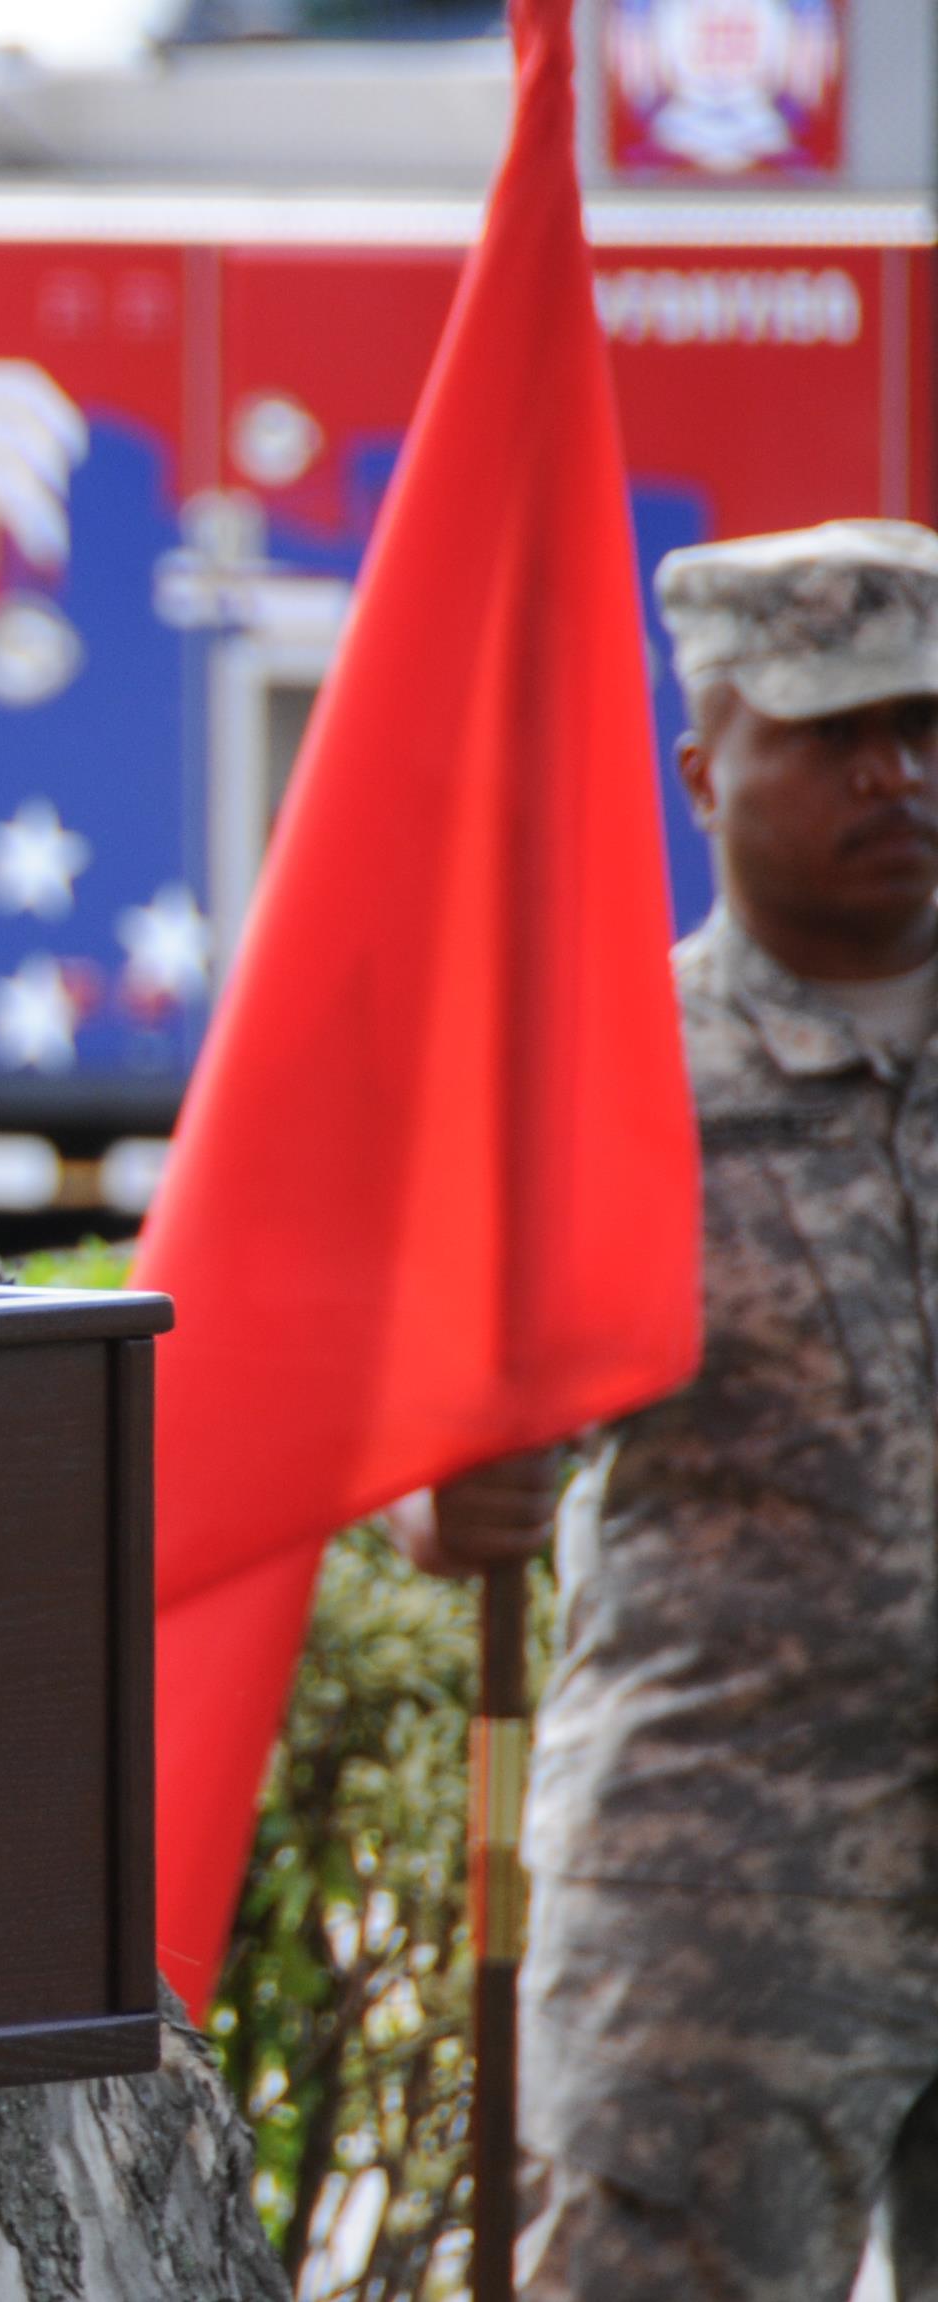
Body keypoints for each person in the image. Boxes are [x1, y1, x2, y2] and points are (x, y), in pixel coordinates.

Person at [396, 518, 938, 2302]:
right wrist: (447, 1493)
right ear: (702, 766)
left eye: (925, 725)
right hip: (724, 1903)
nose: (895, 772)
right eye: (835, 731)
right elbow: (451, 1469)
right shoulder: (606, 1081)